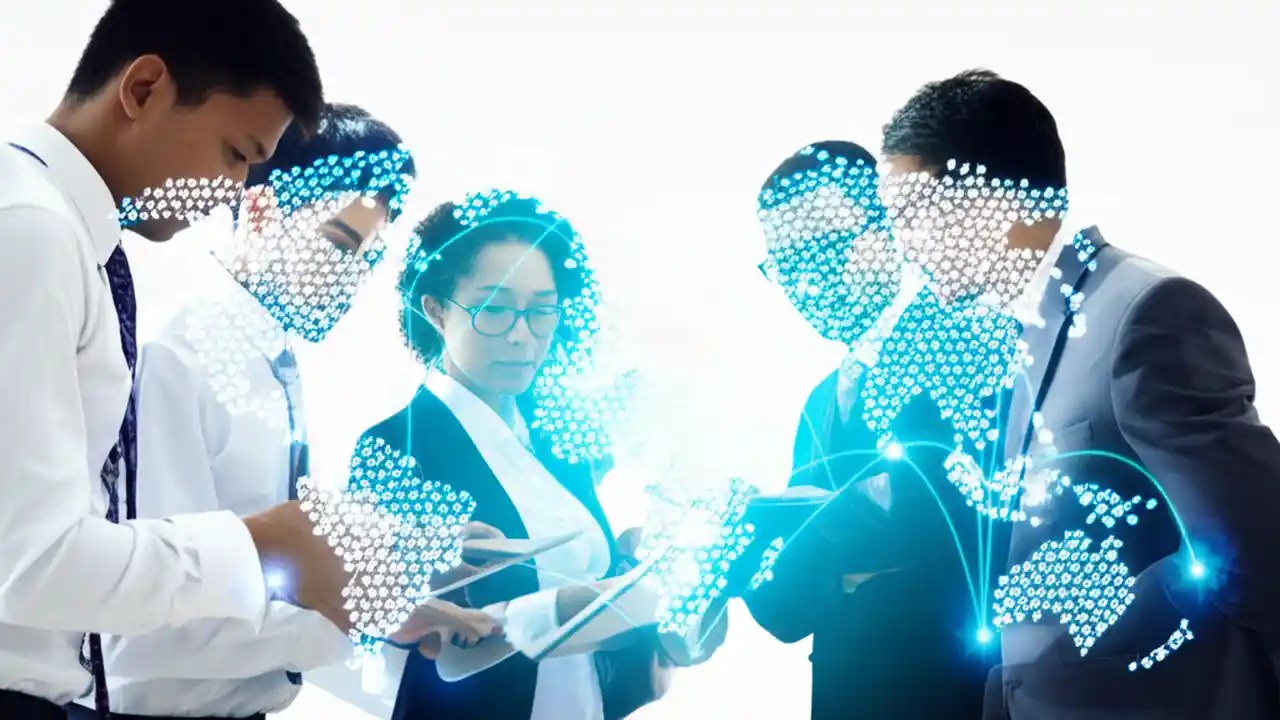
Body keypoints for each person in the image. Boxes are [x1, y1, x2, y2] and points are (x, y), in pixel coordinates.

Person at [0, 4, 457, 718]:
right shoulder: (33, 231)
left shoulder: (63, 235)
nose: (232, 192)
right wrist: (270, 550)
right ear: (143, 89)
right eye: (236, 154)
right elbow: (38, 569)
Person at [61, 103, 495, 720]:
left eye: (369, 259)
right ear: (263, 213)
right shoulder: (176, 358)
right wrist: (363, 617)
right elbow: (144, 625)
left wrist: (409, 559)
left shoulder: (269, 361)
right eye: (339, 244)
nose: (352, 278)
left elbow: (262, 561)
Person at [879, 69, 1280, 718]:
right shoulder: (1015, 333)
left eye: (912, 216)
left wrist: (1112, 629)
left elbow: (1257, 550)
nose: (906, 247)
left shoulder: (1147, 312)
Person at [358, 191, 722, 719]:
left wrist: (645, 567)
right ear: (435, 310)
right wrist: (604, 598)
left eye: (542, 310)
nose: (522, 335)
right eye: (494, 309)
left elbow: (592, 599)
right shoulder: (396, 446)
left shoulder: (557, 440)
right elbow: (396, 622)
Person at [744, 141, 995, 718]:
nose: (808, 282)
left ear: (893, 230)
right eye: (787, 264)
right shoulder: (819, 404)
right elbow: (781, 610)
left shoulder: (970, 352)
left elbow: (955, 544)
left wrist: (810, 545)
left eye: (825, 250)